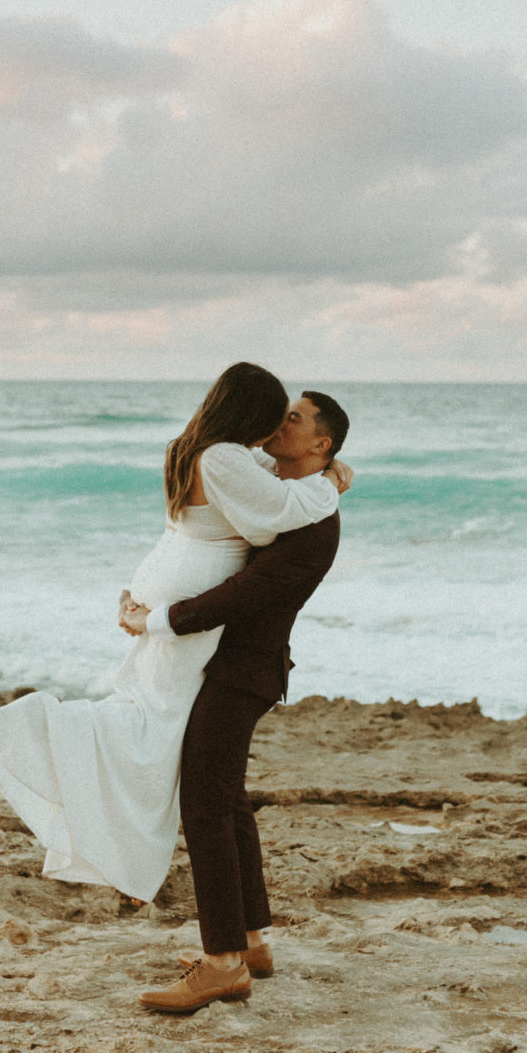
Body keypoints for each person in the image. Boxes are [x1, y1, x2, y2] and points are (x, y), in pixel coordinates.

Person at [0, 365, 351, 908]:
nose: (278, 424)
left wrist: (323, 470)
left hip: (176, 605)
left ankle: (242, 934)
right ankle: (38, 729)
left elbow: (264, 487)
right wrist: (328, 481)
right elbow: (273, 515)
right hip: (181, 615)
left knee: (162, 734)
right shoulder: (226, 458)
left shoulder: (195, 449)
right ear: (250, 412)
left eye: (292, 418)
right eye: (276, 413)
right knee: (153, 733)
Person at [122, 391, 349, 1013]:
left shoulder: (313, 525)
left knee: (204, 808)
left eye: (293, 418)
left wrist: (156, 621)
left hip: (241, 672)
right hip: (228, 666)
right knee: (227, 800)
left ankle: (221, 964)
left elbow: (239, 594)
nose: (279, 421)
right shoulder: (283, 494)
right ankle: (251, 942)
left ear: (321, 443)